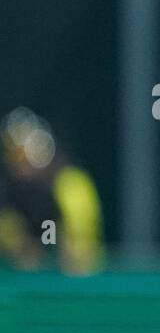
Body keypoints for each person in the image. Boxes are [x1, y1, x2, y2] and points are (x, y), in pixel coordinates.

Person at [0, 107, 102, 274]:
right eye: (15, 154)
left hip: (70, 280)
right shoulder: (7, 187)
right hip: (18, 281)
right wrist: (21, 247)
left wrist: (71, 251)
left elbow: (82, 250)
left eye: (25, 152)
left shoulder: (70, 184)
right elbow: (9, 232)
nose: (21, 162)